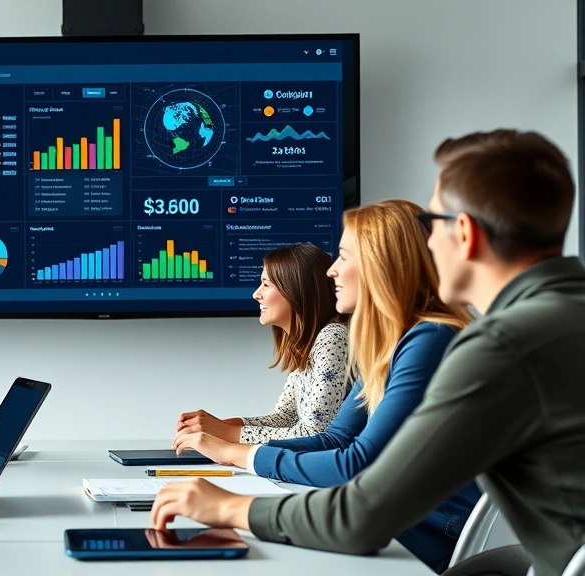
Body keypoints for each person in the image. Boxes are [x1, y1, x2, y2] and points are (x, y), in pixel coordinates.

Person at [152, 130, 585, 576]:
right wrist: (232, 452)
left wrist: (228, 508)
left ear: (465, 234)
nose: (428, 245)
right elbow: (344, 447)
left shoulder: (493, 345)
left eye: (432, 225)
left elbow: (361, 513)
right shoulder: (555, 320)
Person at [168, 199, 481, 573]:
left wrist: (235, 455)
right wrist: (229, 447)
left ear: (384, 266)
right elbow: (334, 438)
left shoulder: (430, 339)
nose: (331, 270)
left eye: (344, 257)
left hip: (439, 530)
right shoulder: (392, 343)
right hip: (406, 515)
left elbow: (354, 464)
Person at [176, 243, 350, 445]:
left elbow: (313, 433)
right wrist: (221, 426)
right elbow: (284, 418)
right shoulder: (308, 344)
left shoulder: (332, 338)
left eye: (266, 285)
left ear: (297, 289)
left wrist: (225, 433)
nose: (256, 294)